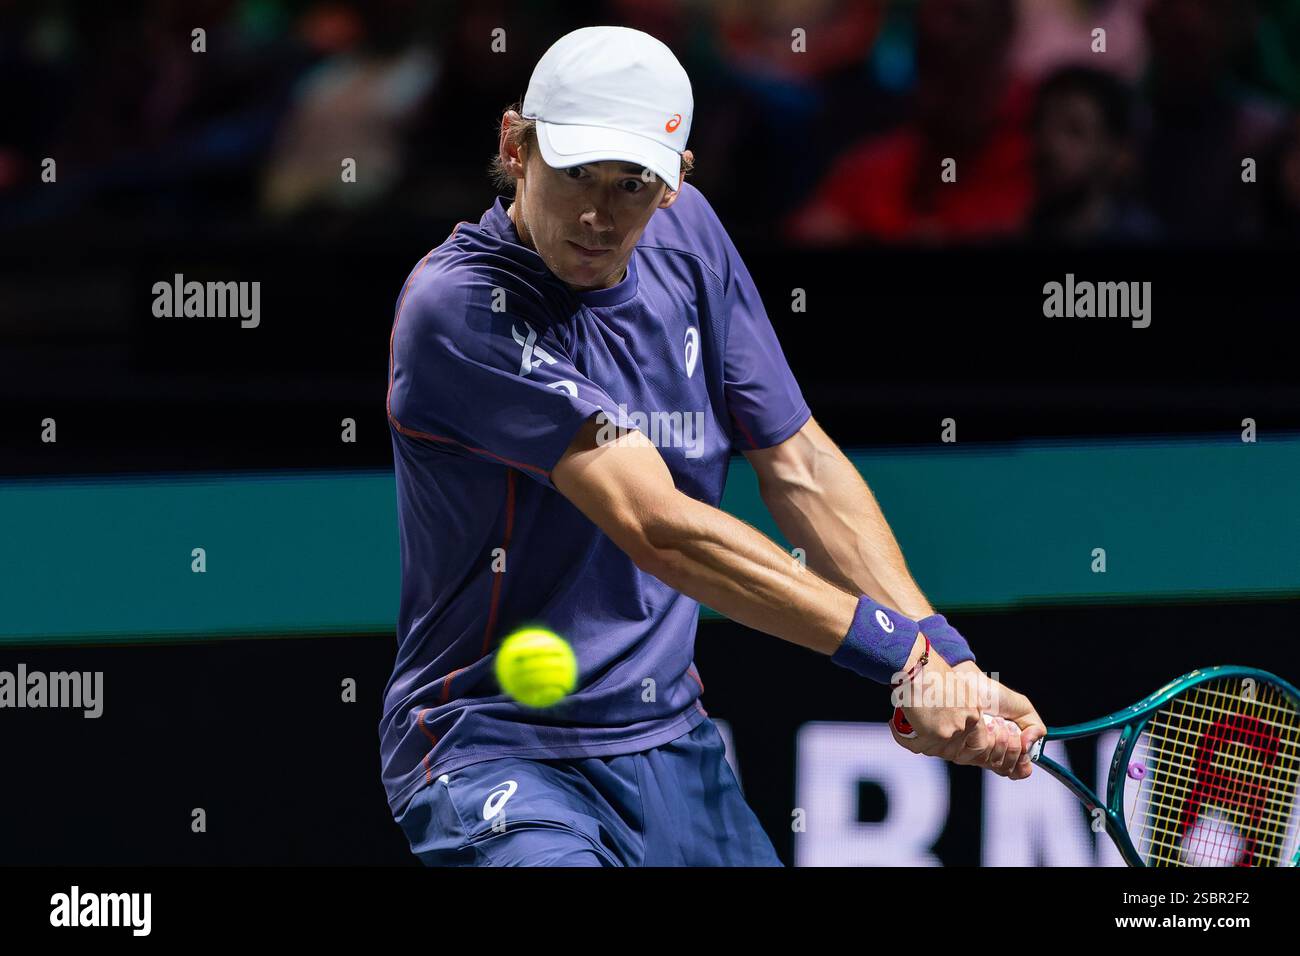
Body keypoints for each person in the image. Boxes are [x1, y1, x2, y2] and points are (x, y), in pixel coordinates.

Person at [382, 25, 1045, 867]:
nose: (597, 213)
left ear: (674, 184)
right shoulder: (460, 308)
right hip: (494, 749)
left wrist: (947, 656)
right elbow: (660, 528)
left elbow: (798, 463)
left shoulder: (689, 237)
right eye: (575, 172)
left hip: (670, 744)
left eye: (631, 185)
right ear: (515, 145)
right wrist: (902, 658)